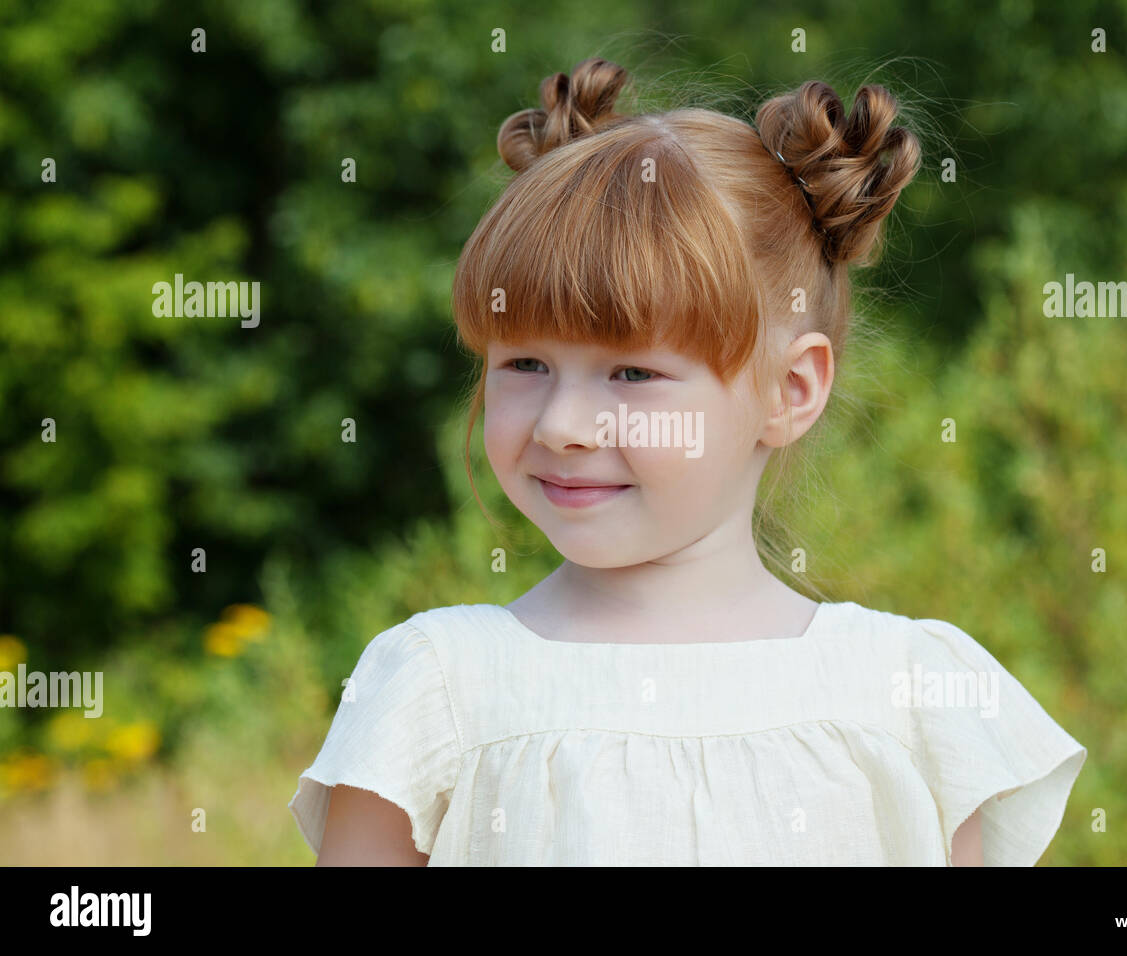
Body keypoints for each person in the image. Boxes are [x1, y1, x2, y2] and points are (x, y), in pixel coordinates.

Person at [288, 57, 1086, 866]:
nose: (563, 425)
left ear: (789, 389)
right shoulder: (436, 691)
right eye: (524, 364)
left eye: (633, 373)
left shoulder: (909, 697)